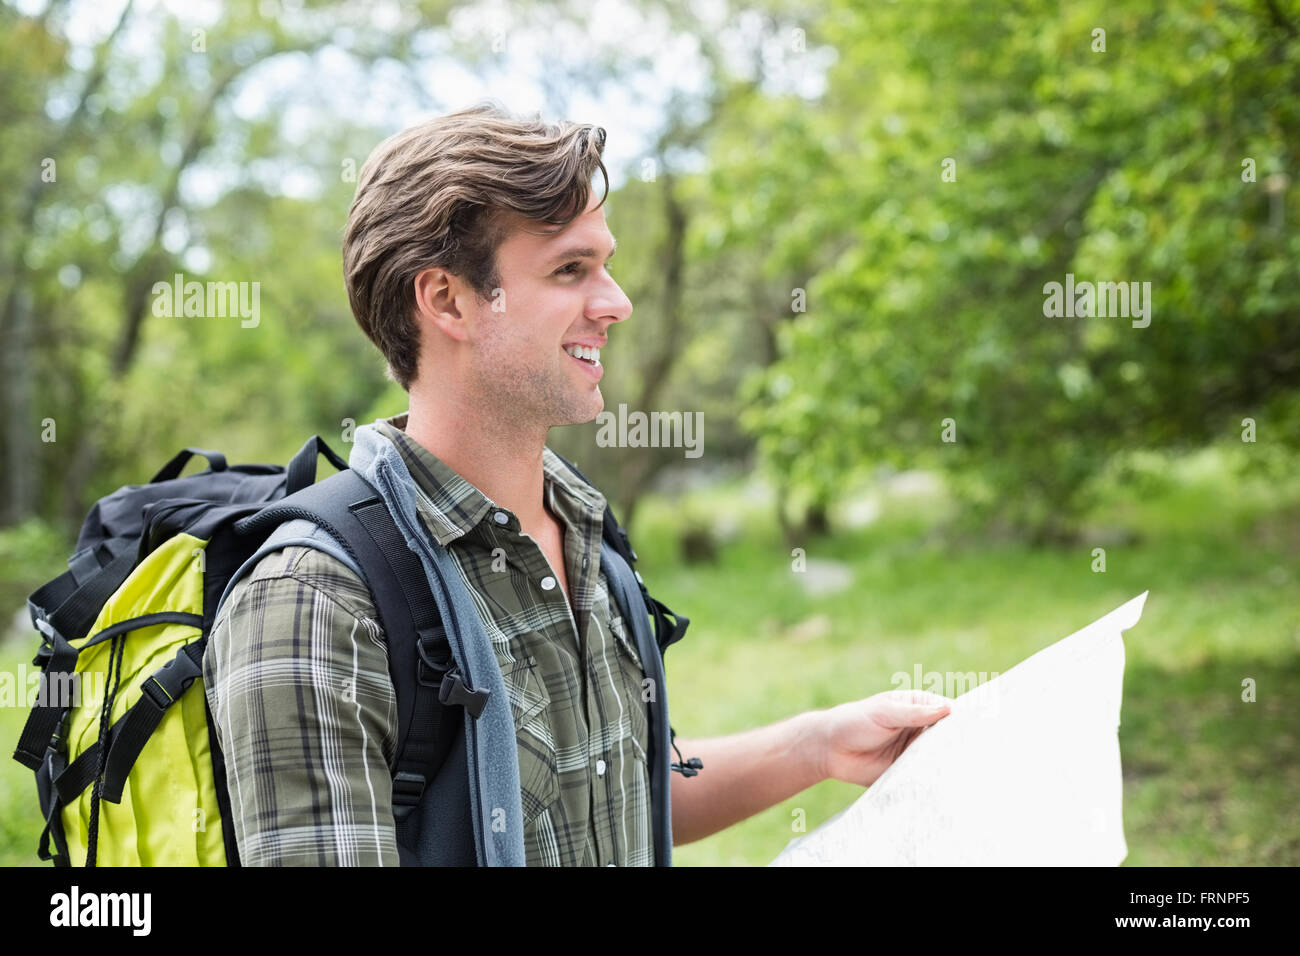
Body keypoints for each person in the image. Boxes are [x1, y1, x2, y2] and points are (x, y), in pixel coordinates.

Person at [204, 101, 951, 867]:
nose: (616, 304)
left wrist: (819, 744)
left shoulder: (588, 538)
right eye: (570, 270)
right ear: (447, 300)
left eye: (607, 265)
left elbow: (617, 791)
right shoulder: (313, 600)